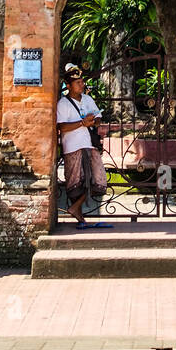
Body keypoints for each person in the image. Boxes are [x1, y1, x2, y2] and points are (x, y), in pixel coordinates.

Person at [56, 64, 110, 229]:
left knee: (95, 178)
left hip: (89, 144)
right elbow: (62, 127)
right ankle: (79, 215)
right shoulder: (63, 103)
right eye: (78, 82)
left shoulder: (88, 99)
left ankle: (74, 209)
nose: (82, 85)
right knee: (75, 183)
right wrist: (81, 123)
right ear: (69, 85)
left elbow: (98, 117)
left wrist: (93, 121)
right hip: (72, 147)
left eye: (82, 81)